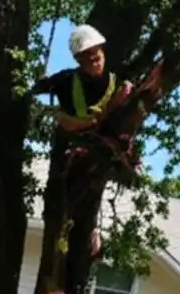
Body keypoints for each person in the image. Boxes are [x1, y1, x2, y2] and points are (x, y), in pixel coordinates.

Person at [31, 24, 130, 294]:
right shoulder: (65, 80)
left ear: (103, 53)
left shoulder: (114, 83)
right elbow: (34, 91)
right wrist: (38, 85)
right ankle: (57, 272)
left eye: (96, 55)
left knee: (89, 211)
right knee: (64, 210)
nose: (94, 61)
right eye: (87, 57)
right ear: (78, 60)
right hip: (72, 152)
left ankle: (87, 248)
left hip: (98, 155)